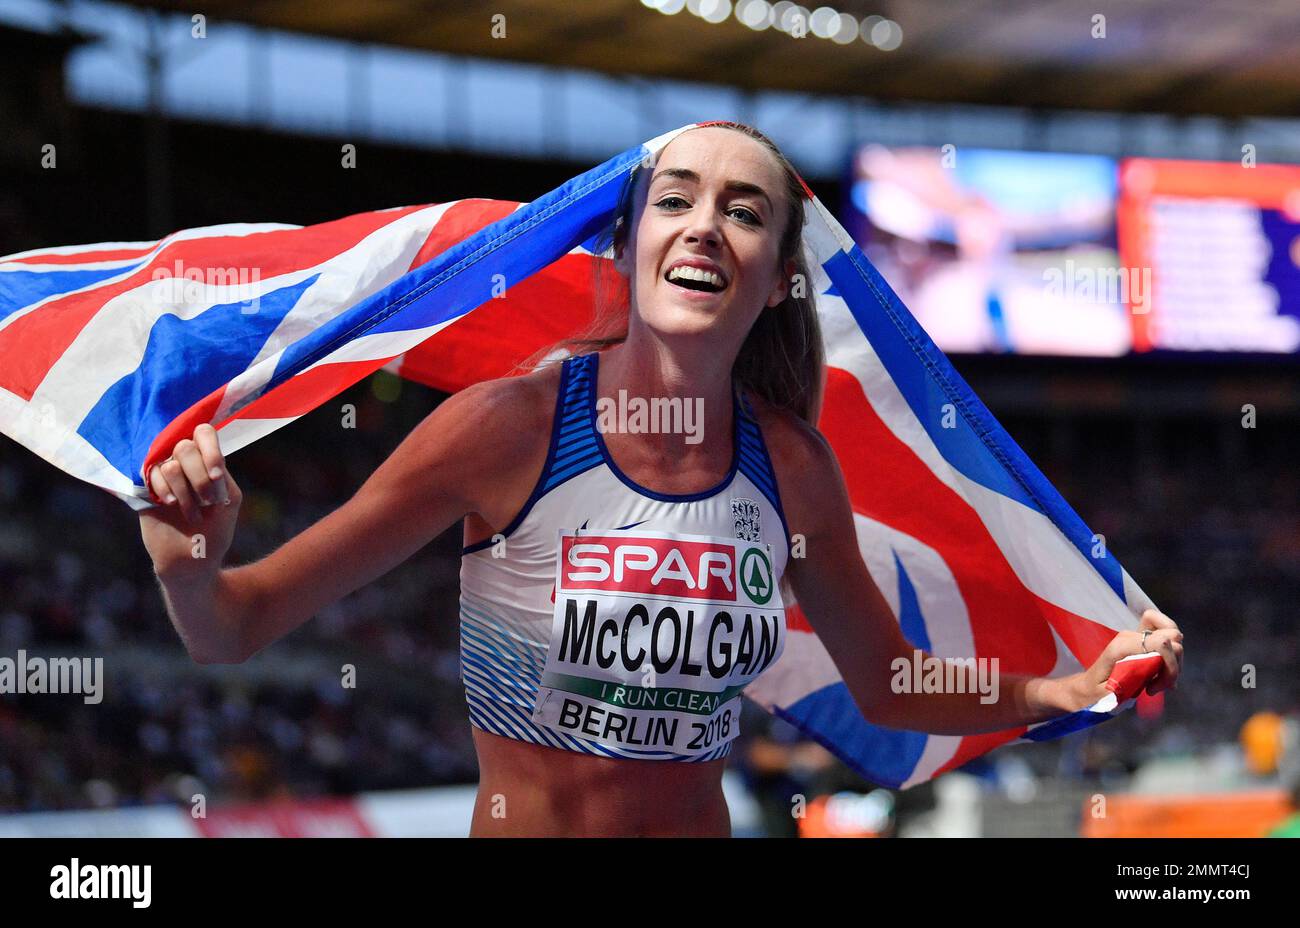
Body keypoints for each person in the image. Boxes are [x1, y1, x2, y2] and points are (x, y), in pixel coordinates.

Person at [138, 122, 1184, 837]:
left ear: (780, 274)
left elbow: (890, 682)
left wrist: (1062, 686)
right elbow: (231, 627)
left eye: (741, 210)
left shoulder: (791, 465)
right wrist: (190, 563)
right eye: (675, 199)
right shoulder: (507, 427)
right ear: (629, 239)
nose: (701, 224)